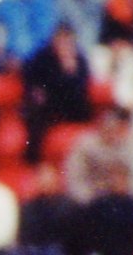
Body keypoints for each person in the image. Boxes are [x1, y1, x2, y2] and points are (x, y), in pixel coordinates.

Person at [20, 24, 97, 160]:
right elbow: (30, 76)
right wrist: (35, 90)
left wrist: (70, 72)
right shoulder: (43, 56)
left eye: (67, 40)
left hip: (70, 103)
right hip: (48, 103)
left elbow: (82, 87)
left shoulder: (79, 59)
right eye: (60, 39)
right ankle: (33, 161)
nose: (64, 44)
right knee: (36, 118)